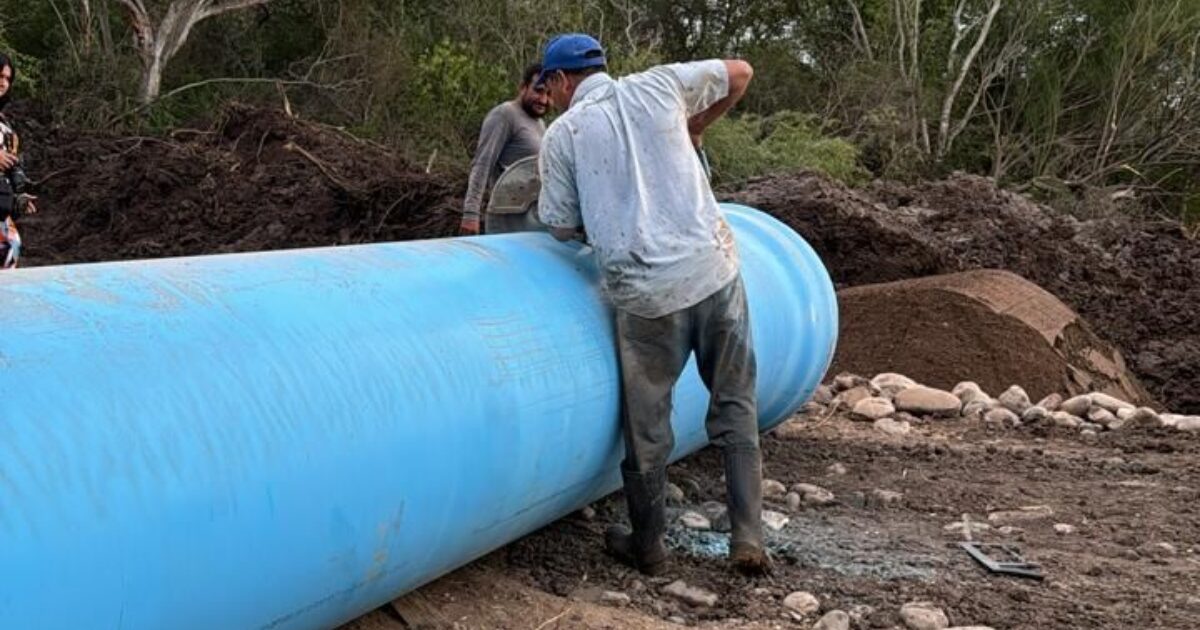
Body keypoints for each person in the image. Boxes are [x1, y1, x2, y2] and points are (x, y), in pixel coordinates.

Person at [535, 34, 768, 575]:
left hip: (645, 296)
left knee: (648, 426)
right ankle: (749, 540)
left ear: (562, 80)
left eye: (551, 83)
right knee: (735, 402)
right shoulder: (660, 84)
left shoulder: (564, 134)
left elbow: (560, 224)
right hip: (714, 271)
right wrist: (698, 125)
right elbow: (741, 71)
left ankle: (650, 547)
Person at [460, 63, 549, 236]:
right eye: (538, 91)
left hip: (532, 221)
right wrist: (470, 214)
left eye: (548, 94)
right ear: (523, 87)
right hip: (506, 219)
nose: (543, 99)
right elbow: (482, 164)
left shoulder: (541, 124)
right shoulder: (505, 114)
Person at [0, 53, 36, 269]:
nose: (2, 82)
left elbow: (14, 165)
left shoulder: (6, 125)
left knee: (11, 251)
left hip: (2, 213)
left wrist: (20, 196)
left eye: (7, 78)